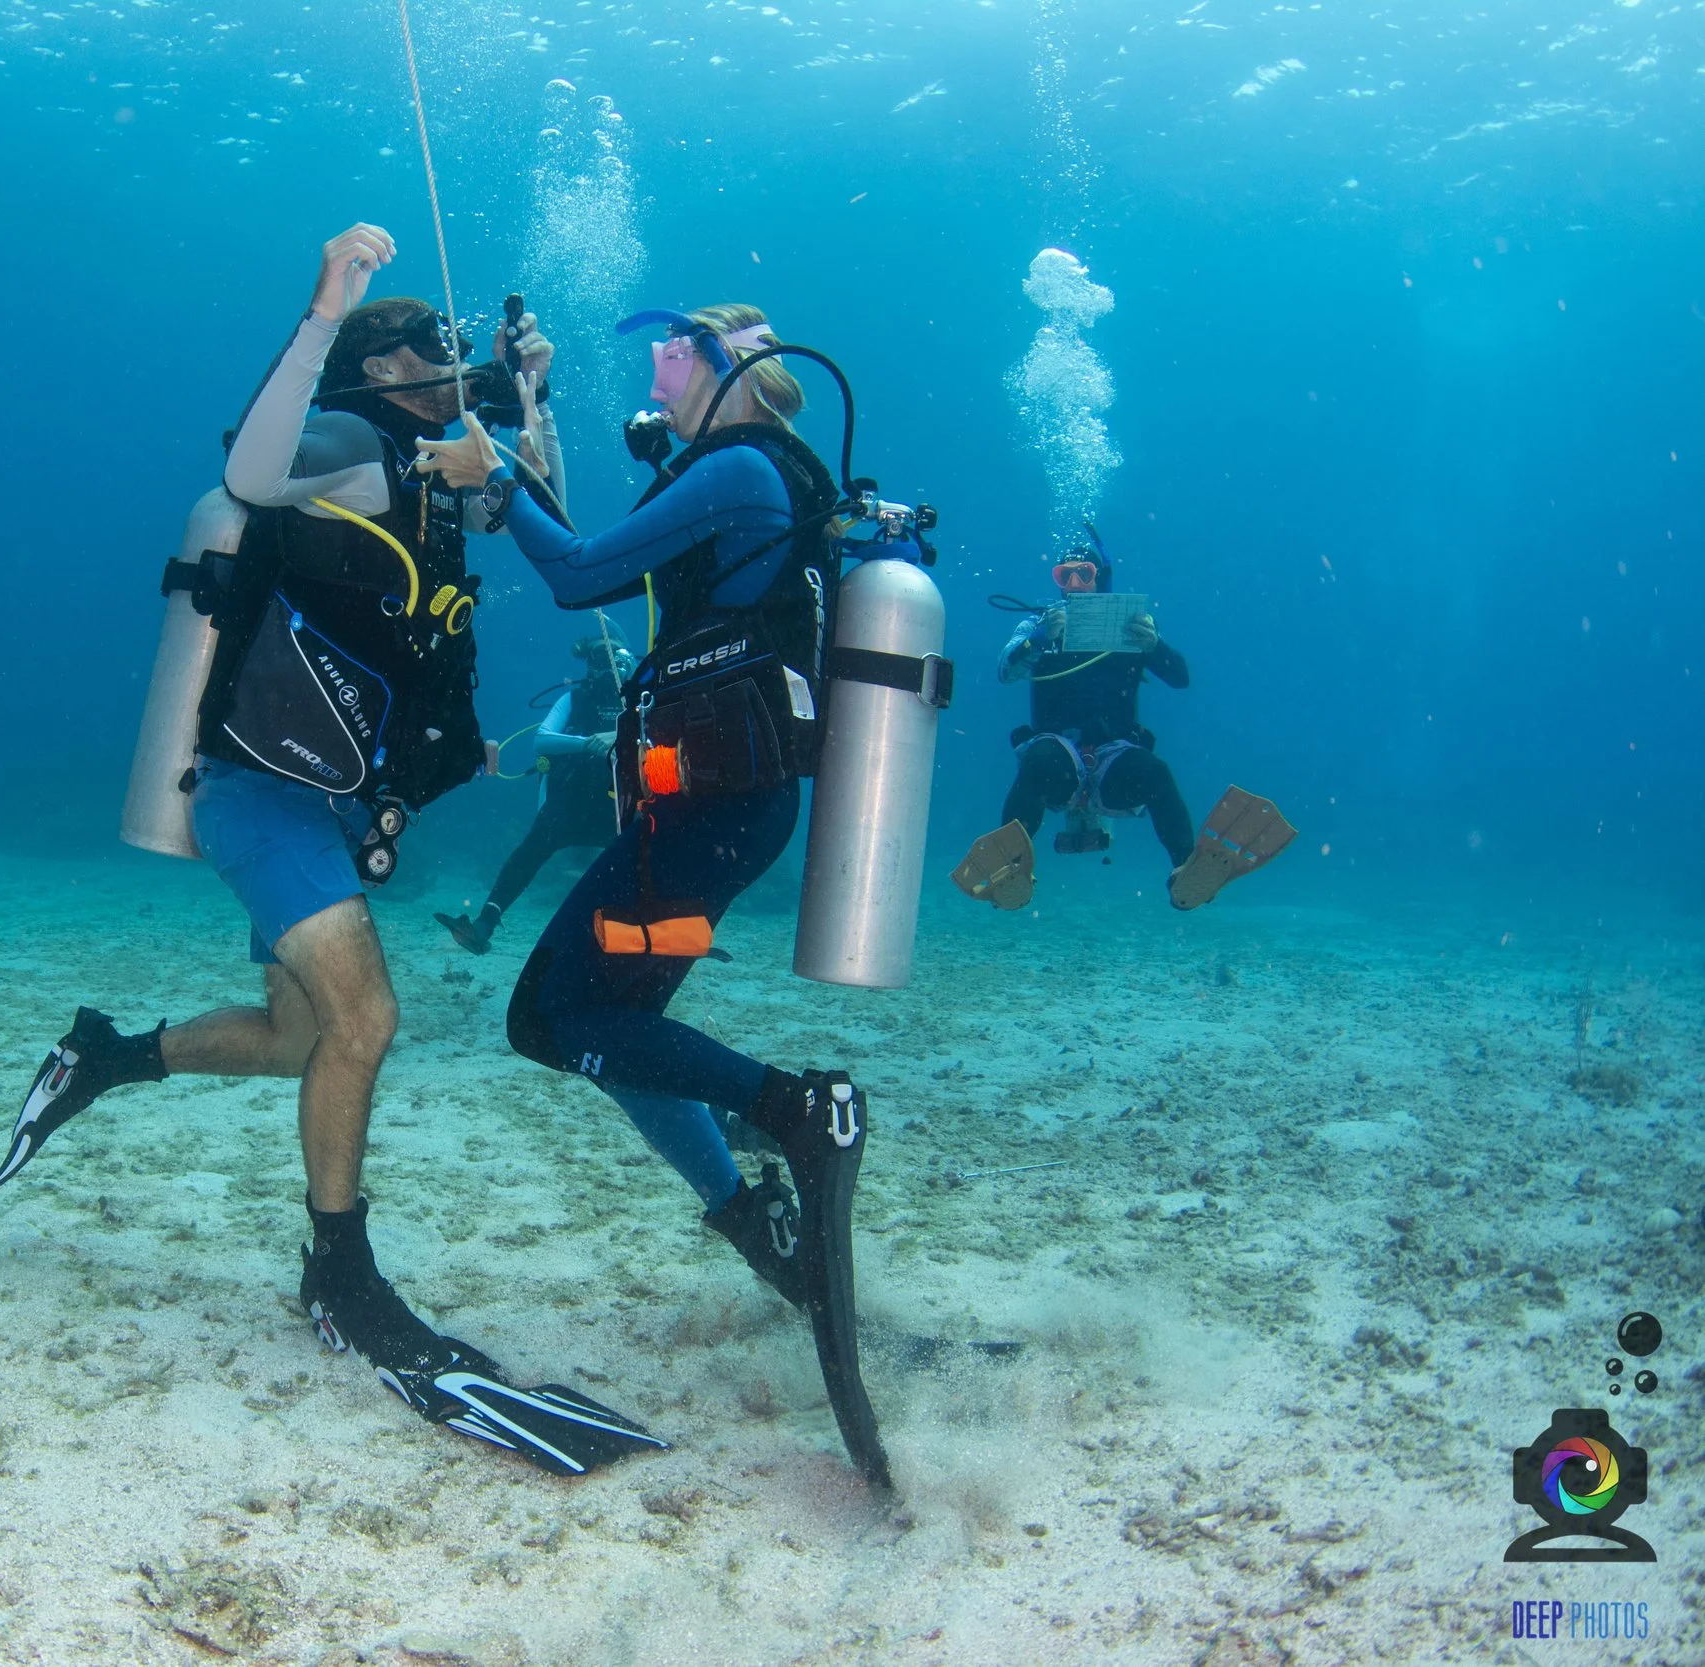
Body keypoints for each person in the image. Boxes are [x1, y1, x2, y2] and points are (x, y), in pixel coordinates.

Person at [0, 226, 669, 1478]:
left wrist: (534, 393)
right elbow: (248, 463)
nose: (455, 369)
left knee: (300, 1037)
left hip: (336, 805)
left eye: (459, 355)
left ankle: (109, 1055)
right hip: (262, 797)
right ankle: (337, 1270)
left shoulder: (439, 462)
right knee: (367, 1021)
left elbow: (545, 514)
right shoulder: (346, 444)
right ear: (383, 365)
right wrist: (324, 306)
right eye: (432, 352)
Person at [419, 304, 890, 1489]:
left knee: (549, 1017)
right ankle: (761, 1230)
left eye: (674, 349)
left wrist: (493, 480)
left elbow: (577, 571)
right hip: (724, 810)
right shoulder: (744, 472)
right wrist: (519, 431)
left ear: (734, 365)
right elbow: (589, 536)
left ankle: (794, 1107)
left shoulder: (738, 465)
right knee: (621, 1029)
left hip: (711, 810)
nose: (656, 366)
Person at [953, 537, 1294, 911]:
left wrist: (1155, 645)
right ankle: (1011, 872)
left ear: (1101, 578)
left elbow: (1180, 677)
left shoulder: (1135, 629)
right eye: (1065, 576)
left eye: (1084, 574)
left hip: (1116, 755)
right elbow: (1006, 670)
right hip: (1056, 750)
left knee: (1155, 772)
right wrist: (1037, 640)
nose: (1075, 585)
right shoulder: (1038, 624)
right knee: (1038, 762)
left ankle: (1185, 869)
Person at [435, 631, 634, 955]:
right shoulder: (573, 700)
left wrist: (619, 734)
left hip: (615, 806)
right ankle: (483, 925)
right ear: (589, 665)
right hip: (569, 804)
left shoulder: (635, 702)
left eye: (616, 659)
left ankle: (648, 926)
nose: (610, 668)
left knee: (642, 853)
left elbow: (655, 735)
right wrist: (591, 742)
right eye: (600, 659)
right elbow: (541, 740)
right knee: (530, 850)